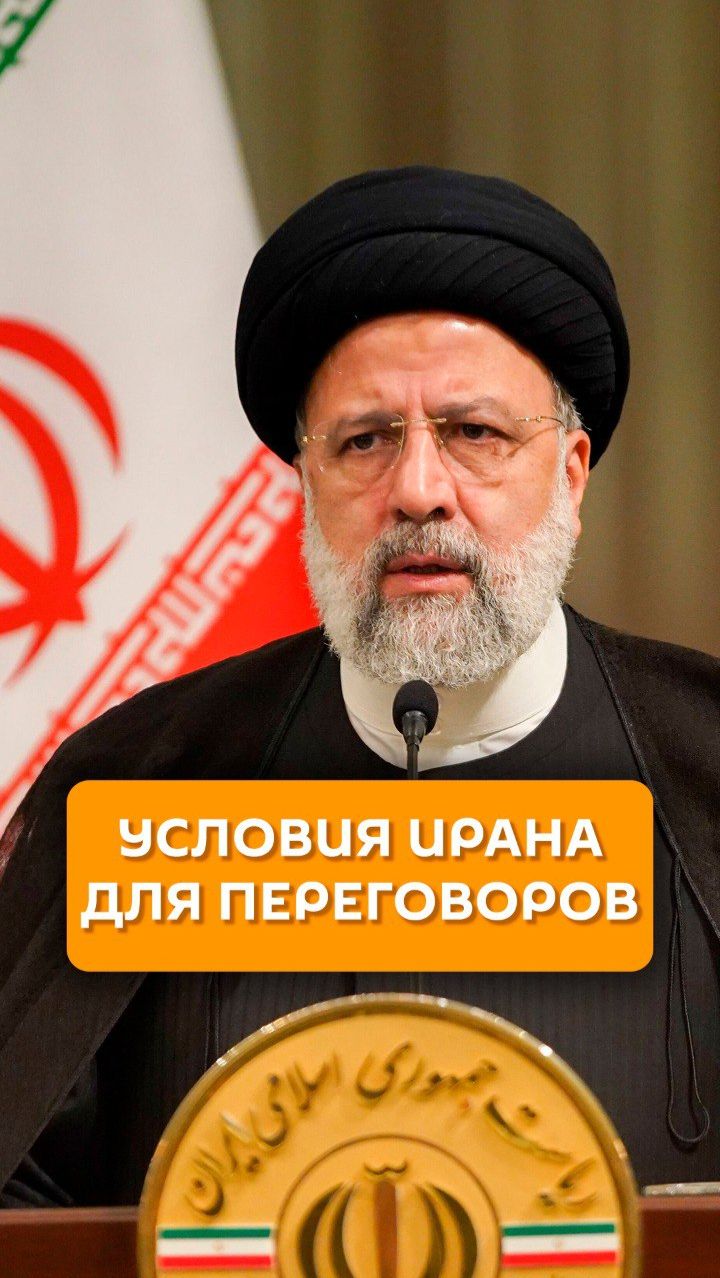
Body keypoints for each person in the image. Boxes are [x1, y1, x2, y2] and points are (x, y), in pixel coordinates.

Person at [0, 168, 717, 1208]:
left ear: (570, 471)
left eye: (474, 433)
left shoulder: (707, 761)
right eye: (365, 441)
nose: (418, 491)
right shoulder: (133, 787)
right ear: (306, 480)